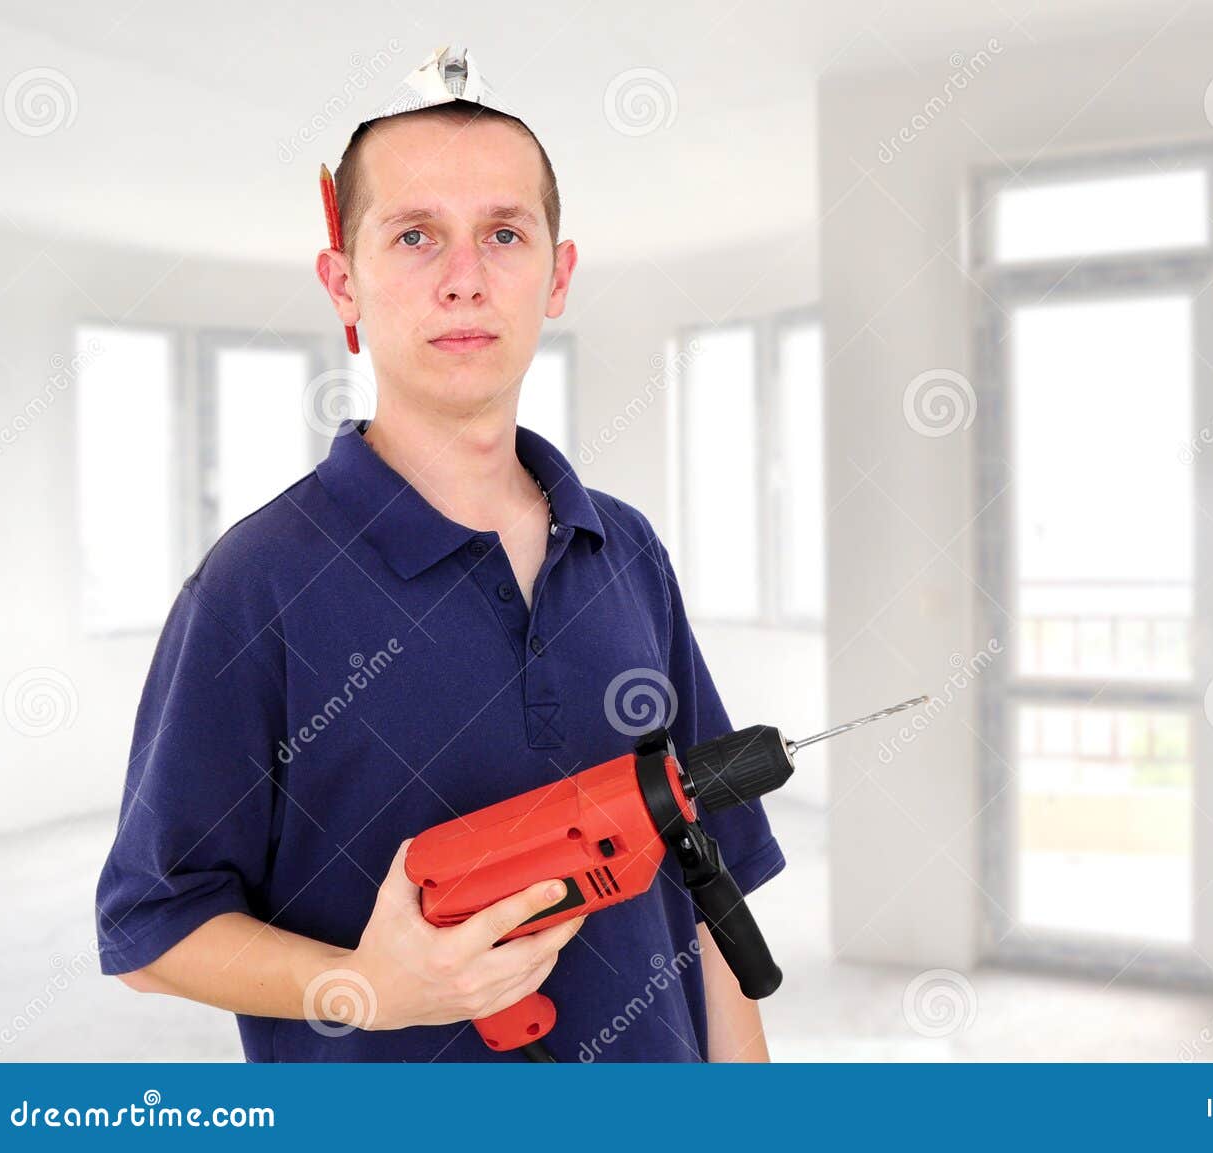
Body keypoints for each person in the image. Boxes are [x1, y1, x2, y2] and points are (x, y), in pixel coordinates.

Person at [93, 45, 784, 1063]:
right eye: (415, 235)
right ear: (343, 285)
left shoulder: (625, 547)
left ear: (557, 275)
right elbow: (151, 928)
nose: (465, 279)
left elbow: (704, 878)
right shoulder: (258, 583)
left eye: (504, 233)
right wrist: (371, 988)